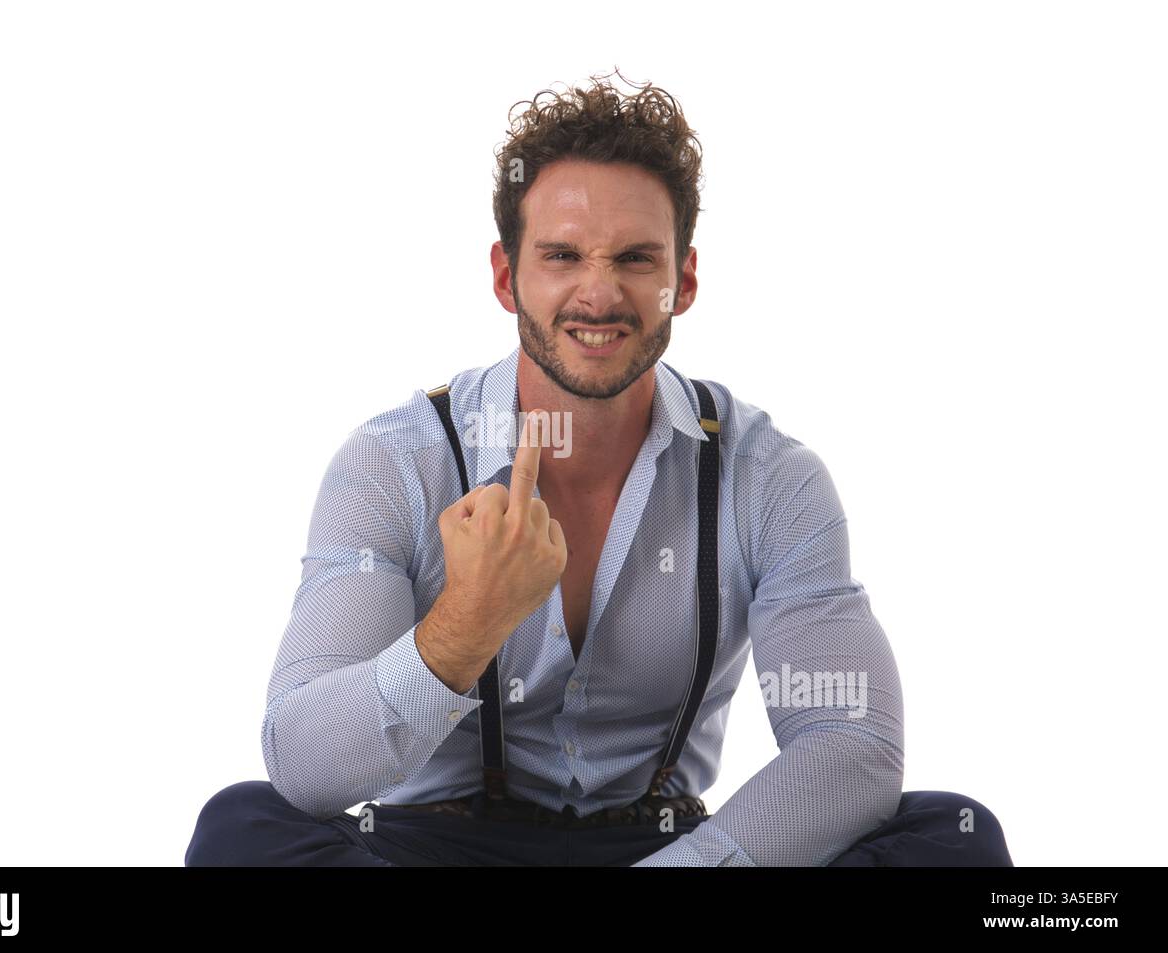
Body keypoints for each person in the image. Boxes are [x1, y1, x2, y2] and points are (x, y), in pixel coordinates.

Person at [186, 70, 1013, 867]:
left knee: (950, 837)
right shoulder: (393, 462)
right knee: (242, 829)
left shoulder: (772, 478)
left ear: (682, 281)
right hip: (433, 845)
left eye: (634, 260)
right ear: (507, 278)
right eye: (562, 256)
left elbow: (852, 747)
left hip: (665, 843)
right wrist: (463, 628)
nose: (598, 292)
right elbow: (302, 763)